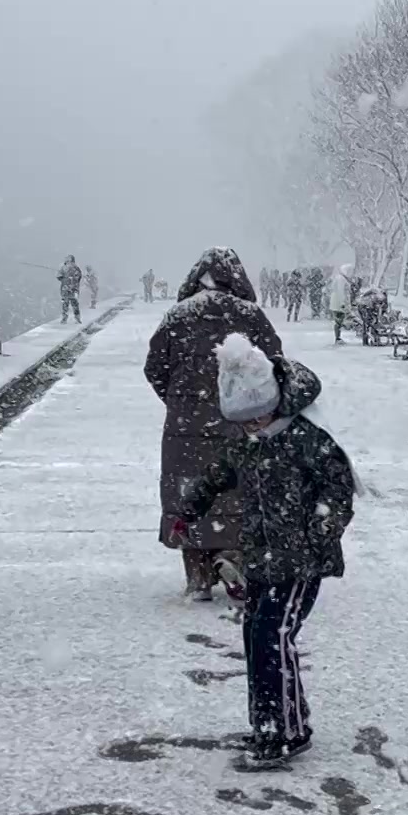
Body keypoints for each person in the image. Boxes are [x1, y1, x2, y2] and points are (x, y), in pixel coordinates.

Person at [173, 333, 356, 769]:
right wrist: (189, 508)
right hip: (261, 556)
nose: (251, 428)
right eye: (244, 422)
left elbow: (338, 490)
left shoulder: (308, 438)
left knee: (274, 638)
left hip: (301, 561)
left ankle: (287, 732)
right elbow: (219, 473)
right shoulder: (248, 442)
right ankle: (269, 722)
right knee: (256, 637)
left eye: (257, 419)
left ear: (274, 404)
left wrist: (320, 532)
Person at [145, 248, 283, 601]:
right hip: (238, 423)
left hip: (185, 428)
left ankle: (199, 578)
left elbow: (155, 367)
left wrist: (179, 401)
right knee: (236, 492)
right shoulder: (249, 315)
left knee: (189, 493)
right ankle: (231, 556)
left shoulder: (178, 316)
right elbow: (275, 366)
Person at [327, 264, 355, 344]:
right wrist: (342, 303)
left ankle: (338, 338)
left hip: (338, 302)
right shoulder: (341, 279)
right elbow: (341, 291)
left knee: (339, 320)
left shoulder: (340, 278)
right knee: (339, 320)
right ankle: (338, 338)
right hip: (338, 303)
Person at [57, 256, 84, 323]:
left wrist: (69, 279)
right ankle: (68, 318)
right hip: (68, 289)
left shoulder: (74, 268)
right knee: (69, 304)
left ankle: (74, 318)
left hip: (70, 289)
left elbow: (79, 277)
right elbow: (59, 276)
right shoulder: (64, 268)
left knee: (71, 304)